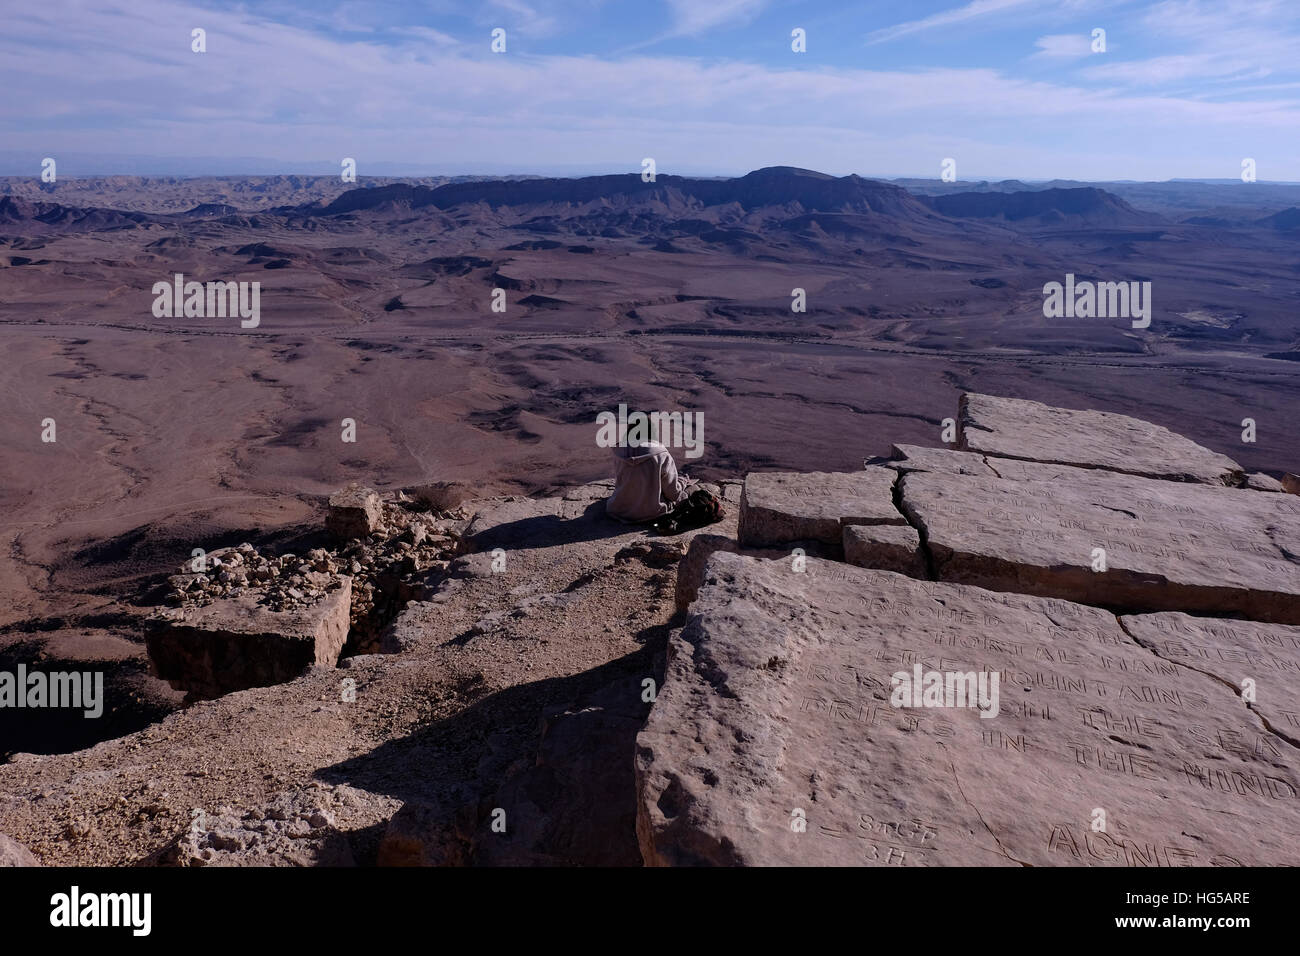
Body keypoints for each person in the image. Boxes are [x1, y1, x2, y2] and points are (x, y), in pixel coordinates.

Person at [605, 440, 691, 523]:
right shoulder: (661, 454)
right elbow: (673, 494)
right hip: (653, 512)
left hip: (619, 511)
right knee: (690, 492)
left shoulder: (618, 452)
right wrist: (683, 481)